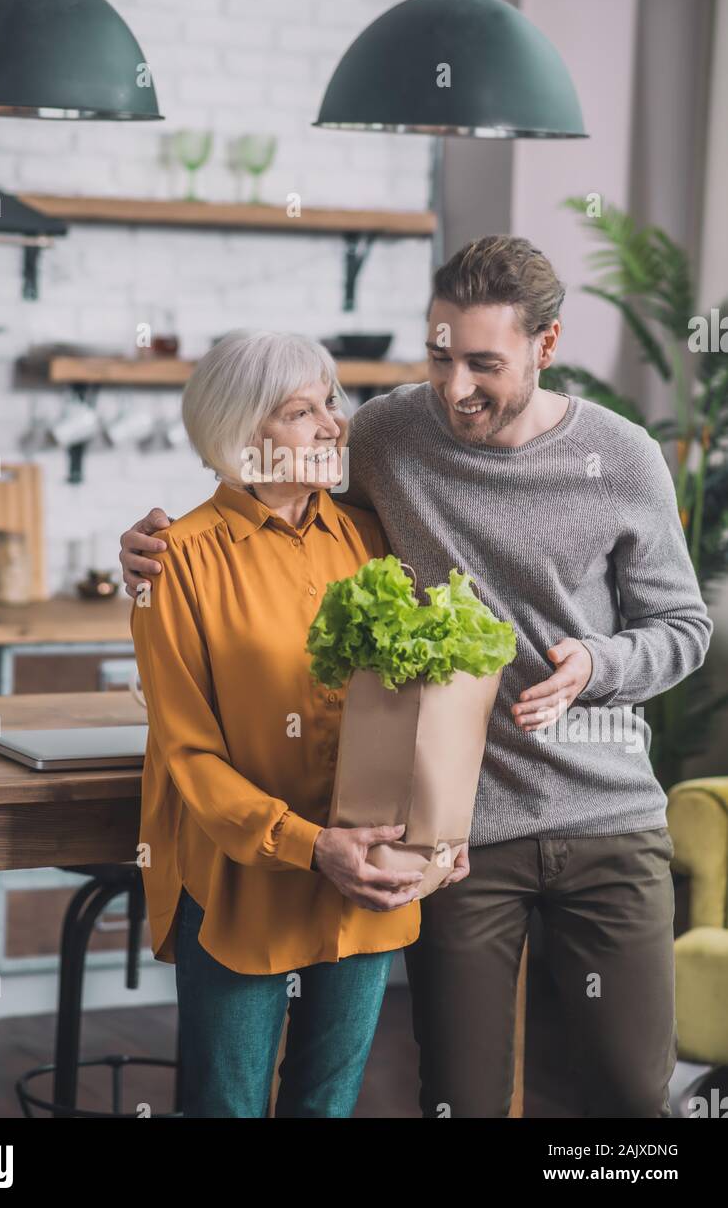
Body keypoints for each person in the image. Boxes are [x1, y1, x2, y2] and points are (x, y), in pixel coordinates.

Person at [122, 236, 713, 1118]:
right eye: (443, 357)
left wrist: (597, 667)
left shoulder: (599, 464)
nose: (456, 388)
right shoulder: (354, 456)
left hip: (510, 838)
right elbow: (191, 740)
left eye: (484, 363)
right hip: (360, 855)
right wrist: (149, 552)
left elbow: (679, 629)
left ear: (545, 348)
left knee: (617, 1101)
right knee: (394, 1101)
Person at [130, 329, 427, 1119]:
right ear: (241, 434)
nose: (334, 424)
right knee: (225, 1109)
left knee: (325, 1109)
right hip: (244, 886)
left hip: (362, 877)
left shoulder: (371, 539)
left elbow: (415, 707)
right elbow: (190, 754)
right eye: (302, 411)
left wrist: (434, 830)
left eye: (332, 401)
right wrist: (305, 844)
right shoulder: (174, 561)